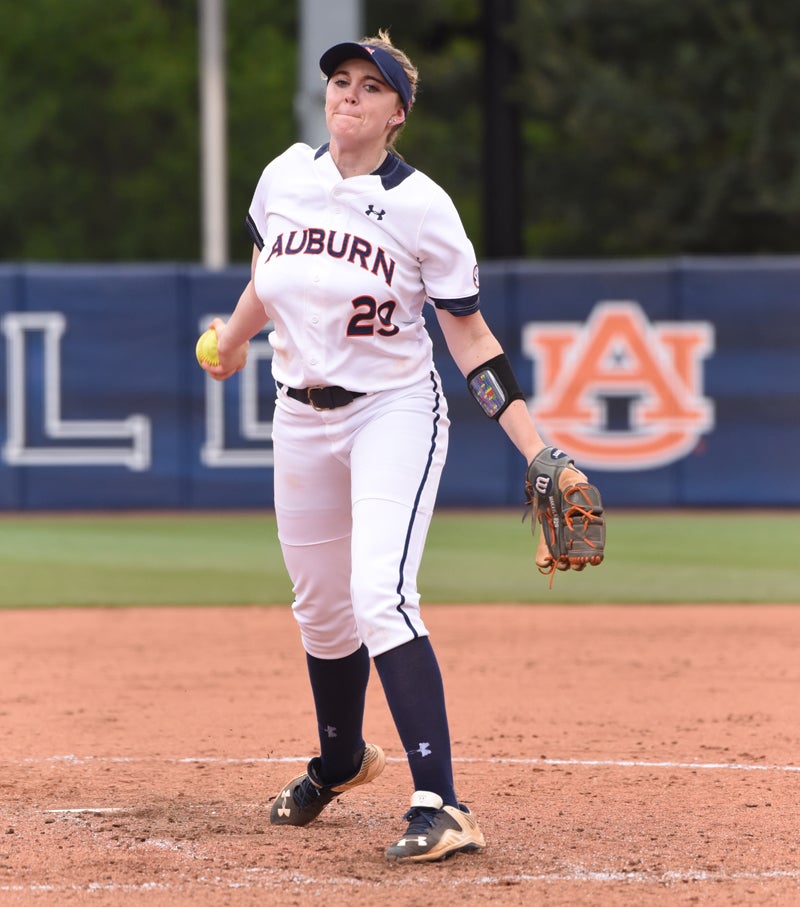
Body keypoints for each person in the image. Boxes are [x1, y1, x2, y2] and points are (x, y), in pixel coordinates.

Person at [199, 29, 595, 863]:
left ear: (396, 113)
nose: (348, 94)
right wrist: (232, 341)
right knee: (319, 608)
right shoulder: (285, 178)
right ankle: (342, 759)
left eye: (368, 86)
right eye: (339, 81)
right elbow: (269, 276)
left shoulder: (423, 207)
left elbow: (471, 338)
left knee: (380, 592)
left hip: (392, 412)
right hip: (299, 413)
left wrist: (536, 447)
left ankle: (442, 802)